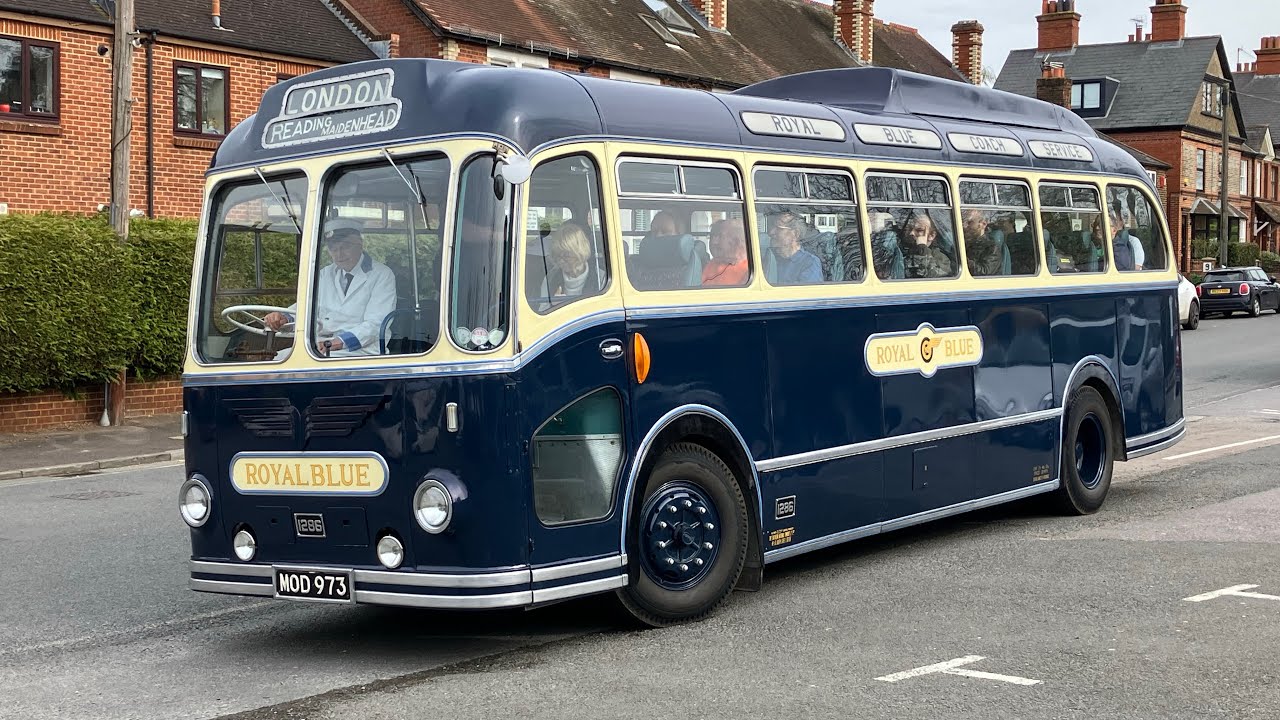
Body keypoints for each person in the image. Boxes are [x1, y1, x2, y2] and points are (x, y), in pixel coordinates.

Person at [265, 218, 396, 356]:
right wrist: (284, 317)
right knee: (276, 359)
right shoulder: (325, 274)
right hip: (321, 347)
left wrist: (338, 342)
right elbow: (307, 307)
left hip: (361, 351)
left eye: (345, 247)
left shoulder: (381, 274)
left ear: (360, 244)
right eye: (333, 249)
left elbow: (376, 323)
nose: (339, 254)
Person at [539, 222, 602, 304]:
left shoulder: (601, 279)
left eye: (566, 255)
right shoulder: (550, 278)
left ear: (580, 252)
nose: (561, 261)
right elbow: (542, 309)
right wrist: (554, 306)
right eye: (557, 255)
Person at [767, 211, 823, 284]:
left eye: (778, 228)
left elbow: (808, 293)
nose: (771, 232)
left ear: (795, 234)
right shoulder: (769, 256)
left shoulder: (809, 263)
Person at [898, 210, 954, 279]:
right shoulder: (903, 252)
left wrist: (922, 249)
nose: (911, 233)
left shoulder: (941, 258)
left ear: (931, 235)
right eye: (911, 229)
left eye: (919, 230)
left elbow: (934, 277)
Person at [702, 218, 749, 286]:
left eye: (720, 236)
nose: (714, 242)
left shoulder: (749, 272)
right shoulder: (712, 263)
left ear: (736, 242)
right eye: (712, 237)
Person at [962, 208, 1004, 277]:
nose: (964, 226)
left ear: (983, 224)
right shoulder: (963, 243)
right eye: (963, 222)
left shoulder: (991, 248)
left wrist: (963, 260)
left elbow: (985, 272)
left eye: (969, 222)